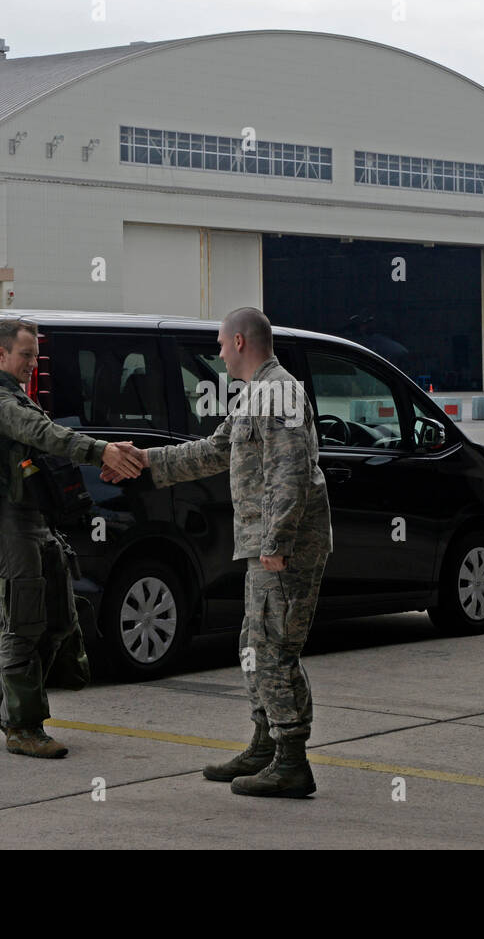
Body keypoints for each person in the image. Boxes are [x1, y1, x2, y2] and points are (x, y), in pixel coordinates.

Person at [107, 307, 332, 797]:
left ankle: (292, 760)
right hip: (266, 545)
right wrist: (145, 462)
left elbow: (291, 473)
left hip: (284, 548)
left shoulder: (279, 393)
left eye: (220, 344)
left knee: (274, 650)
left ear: (239, 343)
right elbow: (214, 451)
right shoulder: (257, 394)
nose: (218, 353)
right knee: (254, 647)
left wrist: (277, 542)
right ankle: (265, 745)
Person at [0, 318, 143, 758]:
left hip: (37, 523)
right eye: (25, 355)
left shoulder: (19, 399)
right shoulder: (0, 403)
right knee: (21, 622)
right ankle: (23, 727)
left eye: (35, 355)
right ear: (1, 355)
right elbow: (45, 436)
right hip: (11, 526)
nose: (32, 363)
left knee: (57, 619)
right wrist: (101, 450)